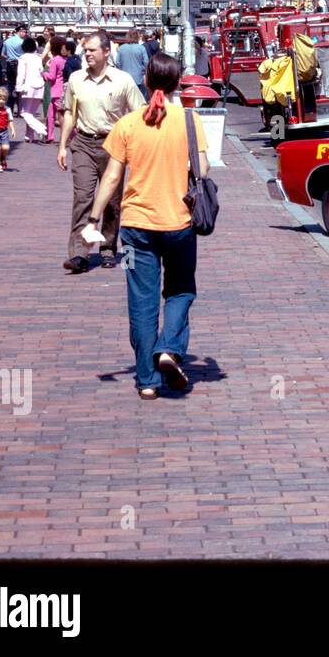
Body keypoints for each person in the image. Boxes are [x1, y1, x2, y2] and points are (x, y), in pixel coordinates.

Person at [84, 52, 208, 400]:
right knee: (181, 290)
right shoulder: (188, 121)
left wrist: (94, 219)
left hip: (135, 228)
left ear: (146, 81)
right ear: (177, 82)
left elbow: (111, 178)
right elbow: (205, 170)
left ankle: (148, 381)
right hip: (179, 225)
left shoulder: (128, 125)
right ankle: (169, 348)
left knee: (141, 300)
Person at [58, 29, 146, 273]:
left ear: (106, 52)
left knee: (111, 202)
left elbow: (139, 113)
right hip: (83, 144)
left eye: (92, 50)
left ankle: (107, 247)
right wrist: (63, 145)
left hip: (113, 146)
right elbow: (68, 112)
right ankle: (79, 253)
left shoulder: (123, 80)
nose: (87, 54)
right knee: (83, 198)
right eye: (85, 50)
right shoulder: (76, 79)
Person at [15, 37, 47, 144]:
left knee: (24, 113)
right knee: (31, 113)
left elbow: (21, 74)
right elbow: (41, 71)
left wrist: (18, 87)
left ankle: (40, 128)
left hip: (27, 87)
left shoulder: (23, 58)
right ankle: (29, 136)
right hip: (39, 86)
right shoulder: (38, 58)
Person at [42, 41, 67, 143]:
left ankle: (50, 136)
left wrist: (43, 73)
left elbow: (51, 77)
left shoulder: (54, 60)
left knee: (51, 115)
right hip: (62, 89)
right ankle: (51, 136)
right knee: (61, 115)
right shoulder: (65, 59)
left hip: (54, 90)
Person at [116, 29, 150, 99]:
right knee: (139, 99)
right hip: (138, 78)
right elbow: (146, 62)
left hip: (124, 79)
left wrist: (122, 69)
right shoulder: (141, 48)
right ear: (137, 37)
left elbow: (117, 63)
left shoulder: (121, 48)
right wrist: (143, 71)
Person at [1, 25, 27, 114]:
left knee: (10, 86)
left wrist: (9, 56)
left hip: (9, 64)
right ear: (18, 31)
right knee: (20, 86)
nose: (25, 33)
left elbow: (2, 54)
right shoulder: (22, 42)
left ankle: (10, 108)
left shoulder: (7, 41)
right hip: (19, 64)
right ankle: (20, 109)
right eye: (23, 31)